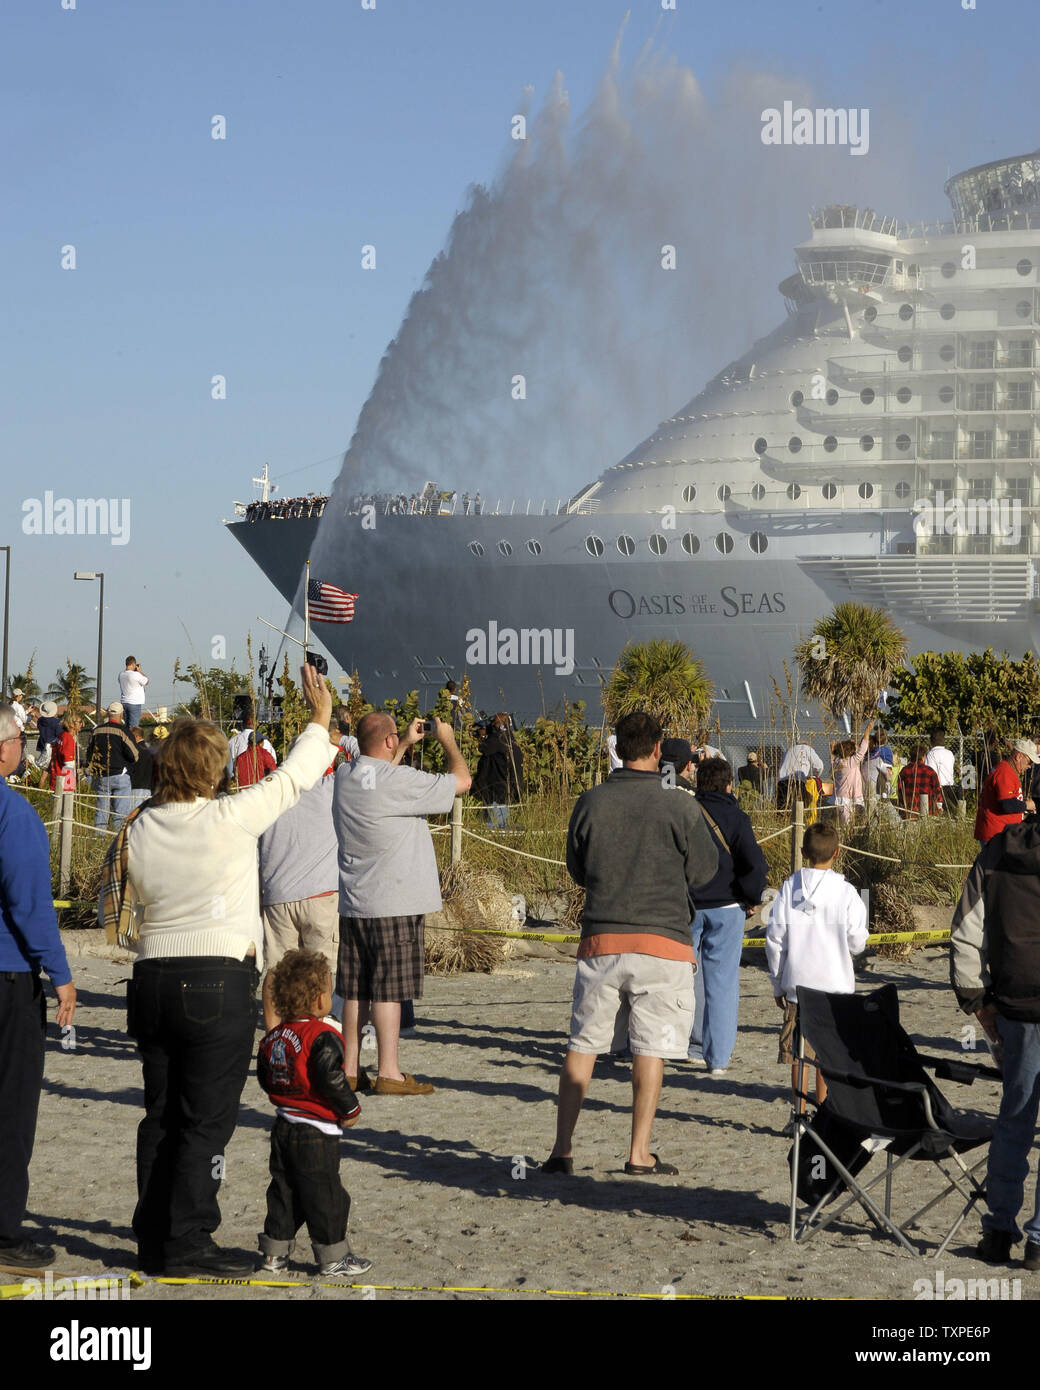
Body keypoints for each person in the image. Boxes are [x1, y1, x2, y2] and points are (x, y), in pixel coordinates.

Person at [105, 663, 333, 1277]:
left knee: (160, 1114)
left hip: (150, 980)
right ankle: (188, 1241)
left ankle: (153, 1236)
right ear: (214, 770)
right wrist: (319, 718)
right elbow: (293, 779)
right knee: (206, 1122)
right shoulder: (229, 817)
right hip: (215, 981)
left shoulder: (139, 825)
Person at [542, 712, 718, 1176]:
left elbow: (577, 869)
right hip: (663, 940)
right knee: (650, 1049)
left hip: (602, 937)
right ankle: (639, 1152)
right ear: (658, 750)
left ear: (617, 746)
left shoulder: (592, 801)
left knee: (583, 1045)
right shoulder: (679, 805)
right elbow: (704, 872)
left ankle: (562, 1149)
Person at [334, 712, 471, 1096]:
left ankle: (349, 1068)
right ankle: (389, 1072)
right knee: (389, 990)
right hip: (393, 901)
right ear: (388, 742)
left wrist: (406, 743)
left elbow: (377, 774)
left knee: (355, 989)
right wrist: (447, 740)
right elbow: (462, 782)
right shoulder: (398, 780)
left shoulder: (347, 777)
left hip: (355, 901)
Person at [0, 703, 77, 1273]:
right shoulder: (14, 813)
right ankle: (4, 1232)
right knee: (10, 1106)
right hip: (7, 976)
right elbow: (30, 904)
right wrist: (60, 972)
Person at [951, 812, 1040, 1267]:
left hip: (1014, 1005)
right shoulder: (996, 851)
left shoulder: (998, 850)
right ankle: (1038, 1241)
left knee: (1014, 1120)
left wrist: (977, 1002)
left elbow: (966, 929)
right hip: (1016, 1006)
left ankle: (1000, 1231)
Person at [256, 950, 371, 1277]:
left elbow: (265, 1075)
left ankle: (274, 1254)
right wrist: (350, 1108)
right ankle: (334, 1256)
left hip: (283, 1125)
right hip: (316, 1133)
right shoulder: (321, 1036)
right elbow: (330, 1077)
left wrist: (285, 1097)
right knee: (328, 1196)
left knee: (283, 1191)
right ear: (320, 998)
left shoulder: (274, 1036)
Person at [765, 822, 868, 1116]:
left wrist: (777, 982)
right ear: (838, 852)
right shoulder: (846, 892)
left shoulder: (789, 888)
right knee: (827, 1054)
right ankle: (823, 1110)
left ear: (802, 852)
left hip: (799, 987)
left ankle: (798, 1113)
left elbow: (775, 939)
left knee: (799, 1054)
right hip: (835, 988)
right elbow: (857, 941)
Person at [687, 758, 769, 1077]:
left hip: (688, 905)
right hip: (726, 907)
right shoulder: (736, 817)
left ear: (698, 783)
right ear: (728, 785)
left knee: (686, 976)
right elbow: (754, 863)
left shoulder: (685, 814)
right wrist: (751, 897)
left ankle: (689, 1046)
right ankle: (717, 1058)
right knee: (722, 982)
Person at [259, 722, 342, 1031]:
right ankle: (312, 1031)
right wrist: (338, 739)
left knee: (276, 969)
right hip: (320, 894)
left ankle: (272, 1030)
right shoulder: (334, 788)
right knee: (320, 972)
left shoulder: (271, 788)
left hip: (277, 894)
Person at [974, 739, 1039, 845]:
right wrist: (1027, 805)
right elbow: (1007, 804)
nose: (1029, 766)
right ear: (1018, 756)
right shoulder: (1005, 773)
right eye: (1029, 762)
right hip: (996, 834)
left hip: (1000, 833)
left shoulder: (1007, 770)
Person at [86, 702, 139, 830]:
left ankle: (99, 839)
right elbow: (134, 755)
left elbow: (89, 752)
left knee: (101, 811)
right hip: (120, 775)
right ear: (121, 714)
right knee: (120, 814)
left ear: (108, 713)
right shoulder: (123, 731)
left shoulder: (97, 730)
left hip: (102, 776)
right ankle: (117, 841)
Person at [471, 712, 524, 828]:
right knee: (497, 823)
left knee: (495, 827)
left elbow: (483, 748)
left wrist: (482, 735)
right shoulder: (511, 740)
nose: (491, 725)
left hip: (496, 792)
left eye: (494, 723)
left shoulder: (498, 739)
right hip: (506, 790)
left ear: (499, 725)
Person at [831, 718, 875, 824]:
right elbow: (863, 748)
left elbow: (832, 758)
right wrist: (867, 730)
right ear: (850, 752)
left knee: (843, 825)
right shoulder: (850, 762)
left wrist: (832, 749)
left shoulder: (837, 761)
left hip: (839, 797)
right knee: (851, 825)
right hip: (851, 798)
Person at [896, 744, 943, 818]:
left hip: (909, 812)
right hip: (928, 813)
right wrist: (939, 807)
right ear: (923, 756)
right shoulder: (930, 771)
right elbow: (937, 791)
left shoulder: (904, 771)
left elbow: (899, 791)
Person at [776, 740, 824, 806]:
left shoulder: (788, 750)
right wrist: (815, 776)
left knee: (782, 808)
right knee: (800, 807)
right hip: (797, 782)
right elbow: (818, 766)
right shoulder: (808, 749)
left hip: (781, 783)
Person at [924, 730, 960, 812]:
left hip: (938, 788)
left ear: (931, 742)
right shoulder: (950, 753)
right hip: (950, 787)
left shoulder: (931, 754)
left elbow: (930, 773)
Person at [49, 713, 80, 792]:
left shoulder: (62, 736)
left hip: (57, 776)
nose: (81, 724)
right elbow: (68, 763)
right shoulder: (68, 738)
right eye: (79, 722)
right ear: (71, 724)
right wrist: (70, 784)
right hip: (63, 781)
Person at [117, 657, 149, 730]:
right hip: (134, 703)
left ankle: (126, 740)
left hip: (124, 702)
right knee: (134, 728)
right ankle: (133, 741)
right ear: (133, 664)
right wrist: (139, 671)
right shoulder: (136, 675)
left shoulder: (121, 674)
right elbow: (146, 681)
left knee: (126, 726)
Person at [128, 727, 155, 809]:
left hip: (135, 786)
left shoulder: (134, 749)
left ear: (136, 736)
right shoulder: (151, 749)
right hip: (149, 787)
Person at [34, 700, 62, 773]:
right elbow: (60, 734)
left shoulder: (40, 721)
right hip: (53, 746)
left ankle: (41, 784)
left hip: (43, 745)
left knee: (45, 771)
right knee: (54, 769)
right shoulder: (57, 722)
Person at [866, 731, 894, 798]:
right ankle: (887, 789)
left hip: (883, 765)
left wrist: (867, 757)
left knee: (880, 778)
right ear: (886, 740)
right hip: (889, 766)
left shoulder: (878, 750)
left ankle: (883, 792)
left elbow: (874, 756)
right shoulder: (888, 749)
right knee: (884, 779)